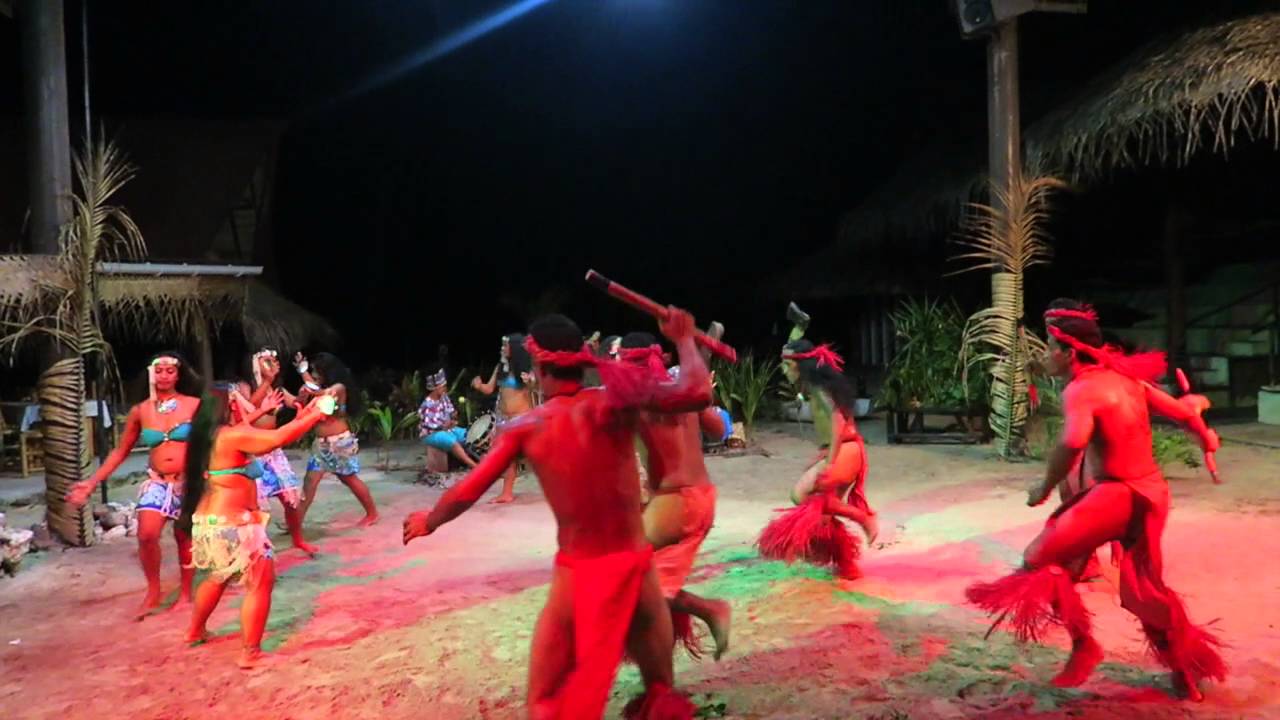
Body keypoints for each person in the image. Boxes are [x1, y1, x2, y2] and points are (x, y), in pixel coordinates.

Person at [403, 309, 713, 719]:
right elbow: (697, 392)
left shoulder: (526, 427)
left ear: (538, 368)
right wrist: (686, 339)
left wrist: (430, 520)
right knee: (659, 690)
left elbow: (467, 490)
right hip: (636, 571)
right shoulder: (614, 404)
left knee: (547, 702)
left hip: (581, 577)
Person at [966, 300, 1225, 700]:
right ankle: (1184, 670)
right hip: (1153, 495)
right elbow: (1182, 411)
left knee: (1038, 559)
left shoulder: (1082, 390)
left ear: (1069, 353)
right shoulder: (1128, 381)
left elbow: (1071, 443)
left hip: (1119, 495)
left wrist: (1044, 487)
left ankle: (1084, 645)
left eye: (1050, 345)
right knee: (1145, 591)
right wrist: (1206, 436)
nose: (1045, 352)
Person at [181, 389, 334, 668]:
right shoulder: (230, 435)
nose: (241, 404)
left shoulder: (207, 437)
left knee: (217, 576)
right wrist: (314, 416)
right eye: (235, 400)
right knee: (260, 583)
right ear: (226, 405)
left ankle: (194, 631)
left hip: (210, 523)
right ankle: (250, 653)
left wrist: (301, 417)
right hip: (236, 524)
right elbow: (276, 439)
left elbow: (272, 438)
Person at [619, 332, 732, 661]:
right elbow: (718, 429)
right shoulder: (679, 391)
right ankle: (667, 648)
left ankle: (709, 610)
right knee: (649, 583)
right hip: (702, 499)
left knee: (619, 572)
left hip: (675, 501)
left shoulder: (640, 397)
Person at [67, 352, 202, 619]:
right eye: (159, 370)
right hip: (157, 482)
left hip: (189, 482)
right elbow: (120, 452)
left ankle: (186, 593)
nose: (164, 375)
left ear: (179, 374)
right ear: (151, 373)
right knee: (147, 534)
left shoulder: (194, 405)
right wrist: (91, 482)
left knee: (184, 536)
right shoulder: (141, 410)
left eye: (170, 371)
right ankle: (153, 591)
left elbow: (211, 441)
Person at [757, 341, 877, 580]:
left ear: (802, 365)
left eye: (788, 364)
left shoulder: (820, 389)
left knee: (800, 495)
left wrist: (830, 460)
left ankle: (864, 518)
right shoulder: (815, 386)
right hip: (848, 450)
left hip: (845, 451)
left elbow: (838, 422)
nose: (784, 369)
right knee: (825, 516)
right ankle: (847, 566)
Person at [230, 348, 316, 555]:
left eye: (273, 360)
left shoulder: (276, 388)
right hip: (252, 455)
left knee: (291, 501)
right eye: (266, 360)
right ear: (253, 364)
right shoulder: (243, 387)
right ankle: (256, 551)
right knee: (256, 509)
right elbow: (248, 410)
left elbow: (295, 403)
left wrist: (302, 397)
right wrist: (266, 382)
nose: (271, 363)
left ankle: (298, 539)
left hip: (274, 454)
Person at [294, 352, 379, 527]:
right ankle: (295, 523)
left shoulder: (338, 388)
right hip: (321, 446)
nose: (314, 374)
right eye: (313, 371)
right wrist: (303, 374)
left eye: (316, 371)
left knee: (349, 479)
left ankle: (372, 514)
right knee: (309, 483)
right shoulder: (319, 387)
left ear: (327, 372)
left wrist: (303, 372)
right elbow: (314, 390)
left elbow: (320, 393)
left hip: (339, 444)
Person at [470, 334, 536, 502]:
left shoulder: (526, 369)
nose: (502, 349)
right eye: (502, 346)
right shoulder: (500, 368)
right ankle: (507, 493)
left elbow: (537, 387)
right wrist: (479, 386)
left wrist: (530, 382)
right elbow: (489, 389)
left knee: (536, 455)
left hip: (522, 419)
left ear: (514, 349)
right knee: (508, 457)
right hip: (503, 419)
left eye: (505, 346)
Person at [419, 368, 478, 473]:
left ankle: (483, 461)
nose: (445, 388)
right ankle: (474, 466)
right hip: (430, 434)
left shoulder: (444, 397)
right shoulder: (427, 404)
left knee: (469, 434)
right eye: (443, 386)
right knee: (452, 442)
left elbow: (451, 413)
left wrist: (454, 417)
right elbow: (432, 426)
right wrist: (448, 425)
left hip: (447, 429)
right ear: (435, 388)